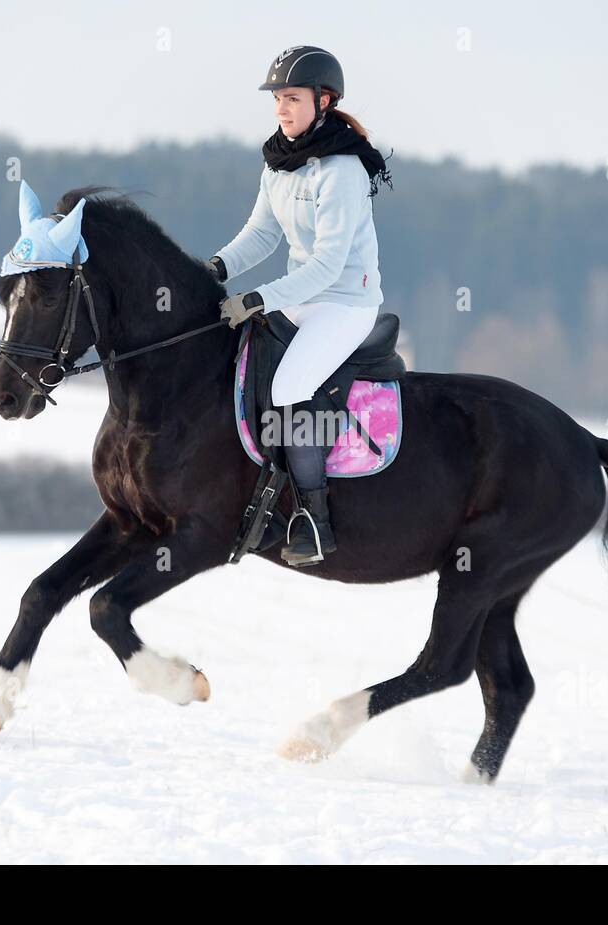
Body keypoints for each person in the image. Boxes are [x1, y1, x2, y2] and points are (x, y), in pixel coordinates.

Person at [211, 45, 393, 567]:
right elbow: (261, 235)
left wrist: (258, 298)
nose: (281, 109)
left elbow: (329, 265)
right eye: (277, 100)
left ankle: (314, 519)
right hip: (302, 297)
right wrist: (216, 269)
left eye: (291, 98)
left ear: (324, 100)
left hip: (345, 302)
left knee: (289, 386)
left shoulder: (342, 170)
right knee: (240, 362)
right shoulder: (279, 164)